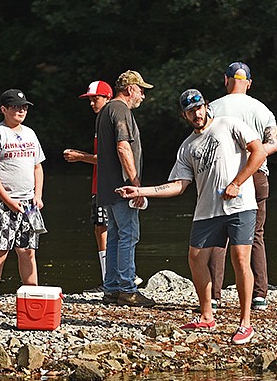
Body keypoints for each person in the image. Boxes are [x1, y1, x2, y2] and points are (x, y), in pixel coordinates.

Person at [118, 89, 265, 345]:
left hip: (240, 206)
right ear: (184, 115)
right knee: (196, 258)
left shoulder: (228, 124)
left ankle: (245, 322)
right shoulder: (188, 146)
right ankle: (207, 314)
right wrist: (141, 191)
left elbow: (259, 152)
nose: (196, 114)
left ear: (206, 106)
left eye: (199, 108)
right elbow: (178, 185)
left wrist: (238, 183)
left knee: (240, 258)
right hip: (207, 211)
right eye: (190, 111)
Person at [206, 61, 277, 310]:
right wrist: (253, 155)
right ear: (249, 83)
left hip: (222, 176)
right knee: (255, 234)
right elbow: (273, 144)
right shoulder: (263, 110)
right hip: (256, 175)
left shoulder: (212, 108)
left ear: (225, 80)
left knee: (218, 235)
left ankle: (214, 296)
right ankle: (259, 294)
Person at [0, 88, 46, 319]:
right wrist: (8, 200)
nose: (21, 111)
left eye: (24, 107)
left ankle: (33, 296)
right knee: (0, 249)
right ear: (4, 109)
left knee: (28, 250)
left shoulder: (30, 134)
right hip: (1, 202)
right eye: (16, 107)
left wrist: (38, 195)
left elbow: (38, 166)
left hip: (29, 203)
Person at [95, 70, 155, 307]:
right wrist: (135, 182)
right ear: (130, 89)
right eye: (141, 90)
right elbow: (123, 147)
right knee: (129, 235)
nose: (143, 95)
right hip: (122, 186)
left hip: (108, 186)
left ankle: (111, 289)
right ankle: (128, 288)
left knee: (116, 237)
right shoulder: (120, 110)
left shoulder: (105, 110)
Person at [63, 80, 114, 290]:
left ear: (108, 98)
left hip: (106, 185)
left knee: (105, 229)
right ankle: (109, 277)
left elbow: (107, 157)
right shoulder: (100, 121)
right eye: (90, 100)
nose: (92, 103)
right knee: (99, 228)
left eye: (96, 99)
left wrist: (79, 156)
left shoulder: (109, 121)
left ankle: (110, 279)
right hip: (98, 184)